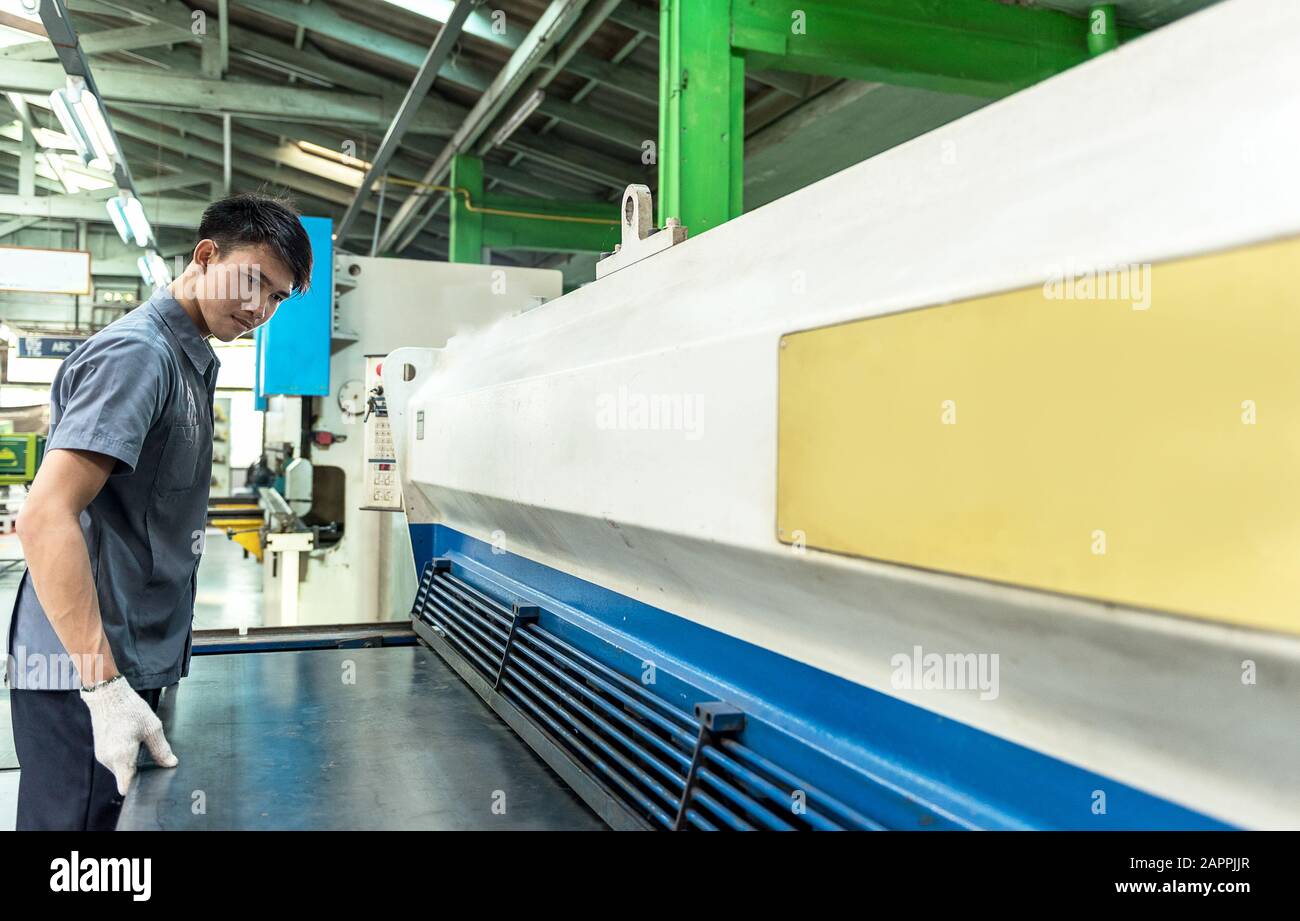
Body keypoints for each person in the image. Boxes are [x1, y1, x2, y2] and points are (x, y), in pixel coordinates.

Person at [5, 192, 313, 830]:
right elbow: (44, 517)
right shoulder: (139, 355)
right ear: (206, 255)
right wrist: (103, 686)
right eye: (253, 281)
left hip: (118, 660)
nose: (260, 308)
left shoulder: (186, 358)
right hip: (82, 673)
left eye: (277, 297)